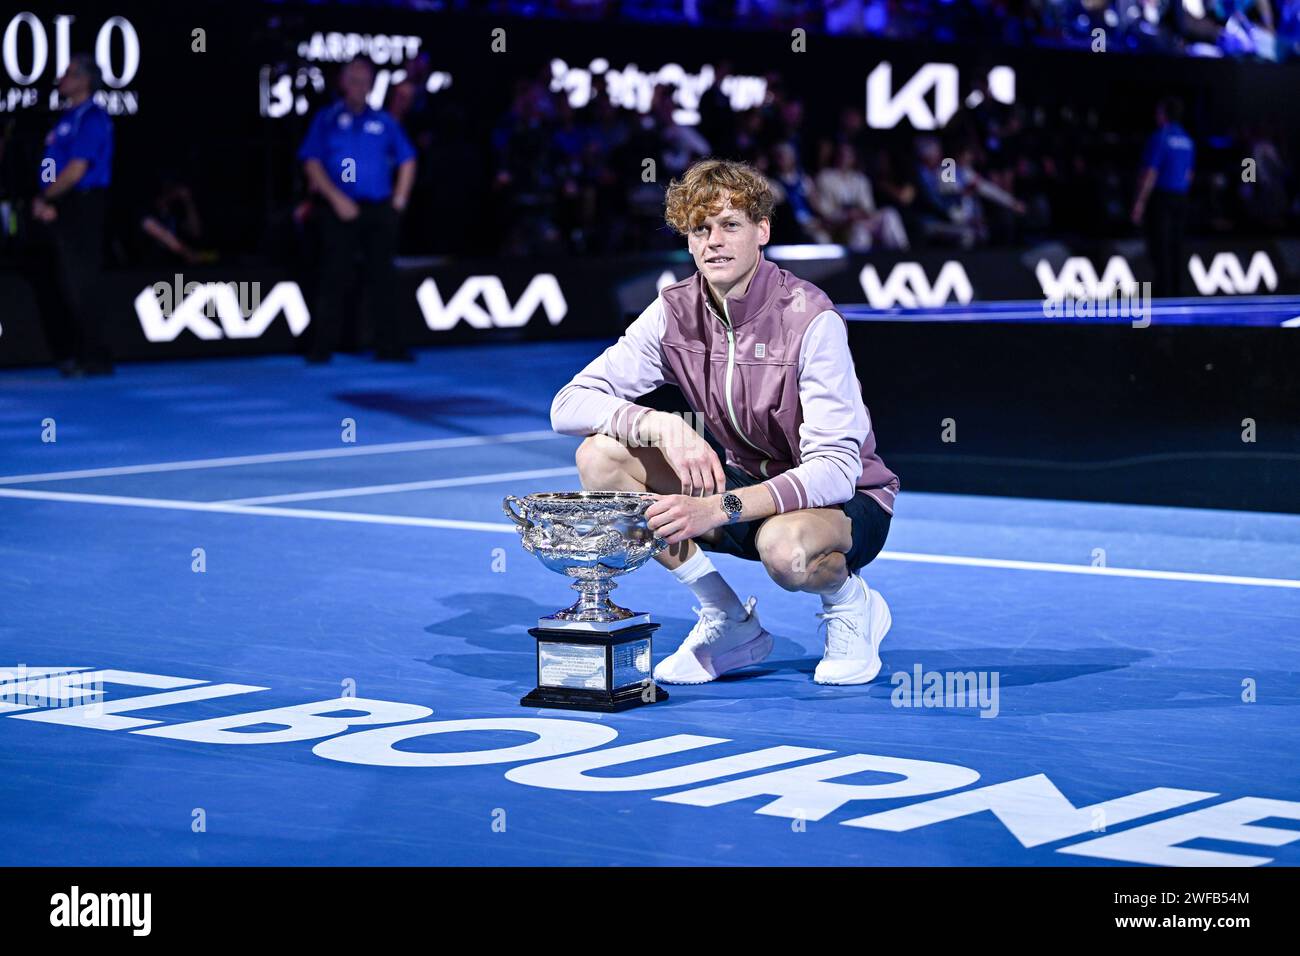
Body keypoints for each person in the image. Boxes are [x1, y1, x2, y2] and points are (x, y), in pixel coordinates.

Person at [551, 158, 899, 686]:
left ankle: (850, 603)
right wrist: (661, 425)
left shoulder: (810, 317)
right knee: (600, 458)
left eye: (730, 225)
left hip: (842, 501)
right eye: (699, 228)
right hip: (741, 480)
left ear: (762, 231)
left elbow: (836, 470)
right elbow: (569, 404)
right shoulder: (674, 311)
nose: (713, 241)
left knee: (785, 553)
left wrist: (717, 507)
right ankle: (729, 620)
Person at [298, 58, 416, 362]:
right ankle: (321, 348)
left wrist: (399, 200)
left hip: (378, 208)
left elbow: (407, 158)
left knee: (384, 278)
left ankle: (390, 347)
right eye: (354, 81)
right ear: (343, 83)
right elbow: (311, 162)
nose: (360, 88)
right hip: (340, 209)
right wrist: (336, 198)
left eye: (366, 81)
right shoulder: (327, 119)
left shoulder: (384, 121)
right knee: (334, 278)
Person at [30, 54, 114, 377]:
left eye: (68, 75)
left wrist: (48, 195)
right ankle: (75, 352)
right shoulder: (67, 118)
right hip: (62, 203)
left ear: (84, 81)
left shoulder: (92, 118)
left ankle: (95, 356)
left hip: (83, 203)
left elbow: (78, 168)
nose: (61, 80)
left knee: (82, 280)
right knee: (65, 279)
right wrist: (47, 196)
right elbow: (52, 164)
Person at [1132, 96, 1195, 297]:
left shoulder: (1160, 137)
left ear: (1164, 114)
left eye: (1158, 111)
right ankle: (1176, 290)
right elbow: (1189, 174)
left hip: (1162, 198)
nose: (1156, 115)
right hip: (1181, 197)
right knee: (1176, 245)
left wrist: (1139, 203)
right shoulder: (1188, 140)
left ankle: (1164, 292)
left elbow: (1150, 173)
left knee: (1160, 245)